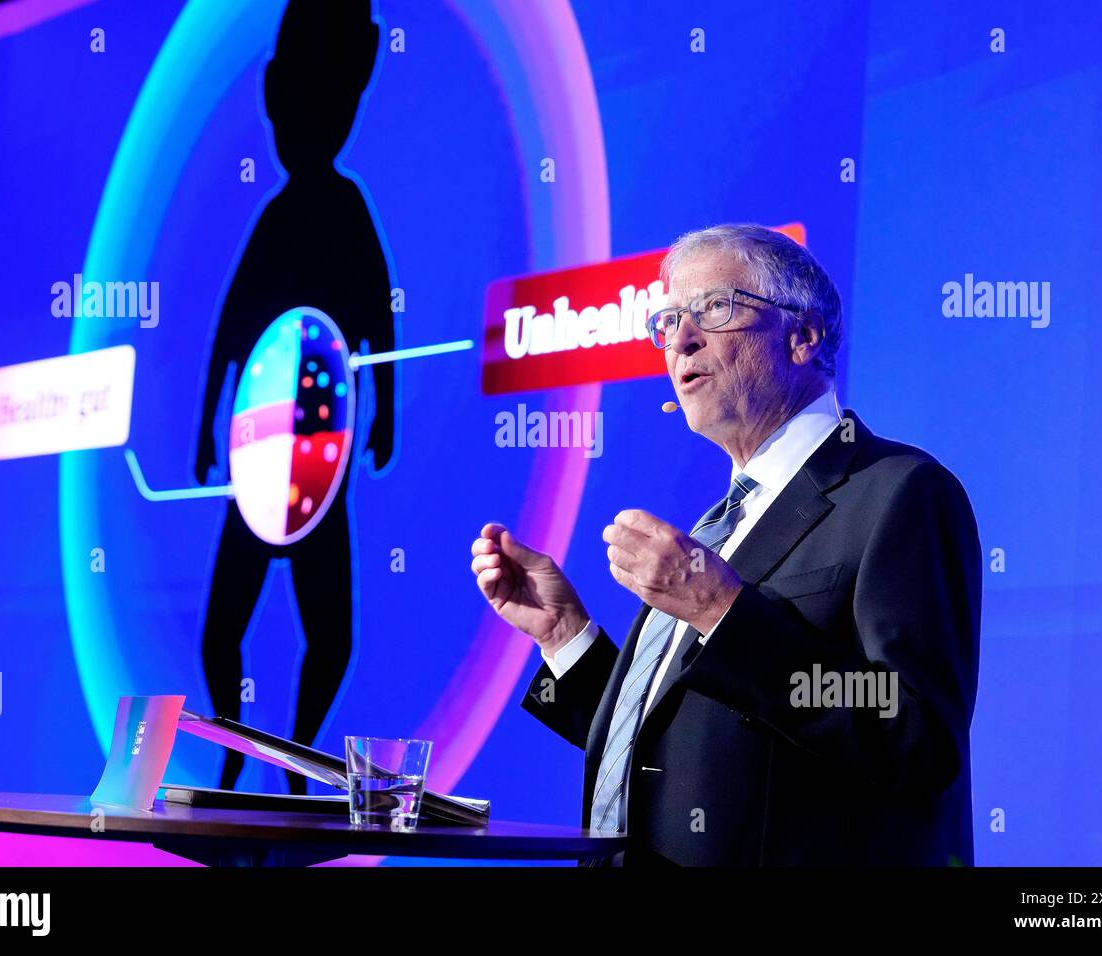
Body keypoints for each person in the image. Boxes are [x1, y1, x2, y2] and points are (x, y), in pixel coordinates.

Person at [470, 224, 981, 865]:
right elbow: (673, 740)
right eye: (669, 320)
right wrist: (565, 634)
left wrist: (722, 611)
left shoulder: (898, 493)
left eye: (717, 308)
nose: (681, 339)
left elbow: (913, 733)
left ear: (804, 335)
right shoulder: (723, 522)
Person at [194, 0, 395, 795]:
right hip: (260, 455)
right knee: (223, 628)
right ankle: (239, 748)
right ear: (274, 95)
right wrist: (209, 428)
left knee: (330, 634)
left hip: (320, 460)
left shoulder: (345, 209)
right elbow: (234, 331)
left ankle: (301, 760)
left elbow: (377, 319)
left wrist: (386, 411)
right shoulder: (276, 217)